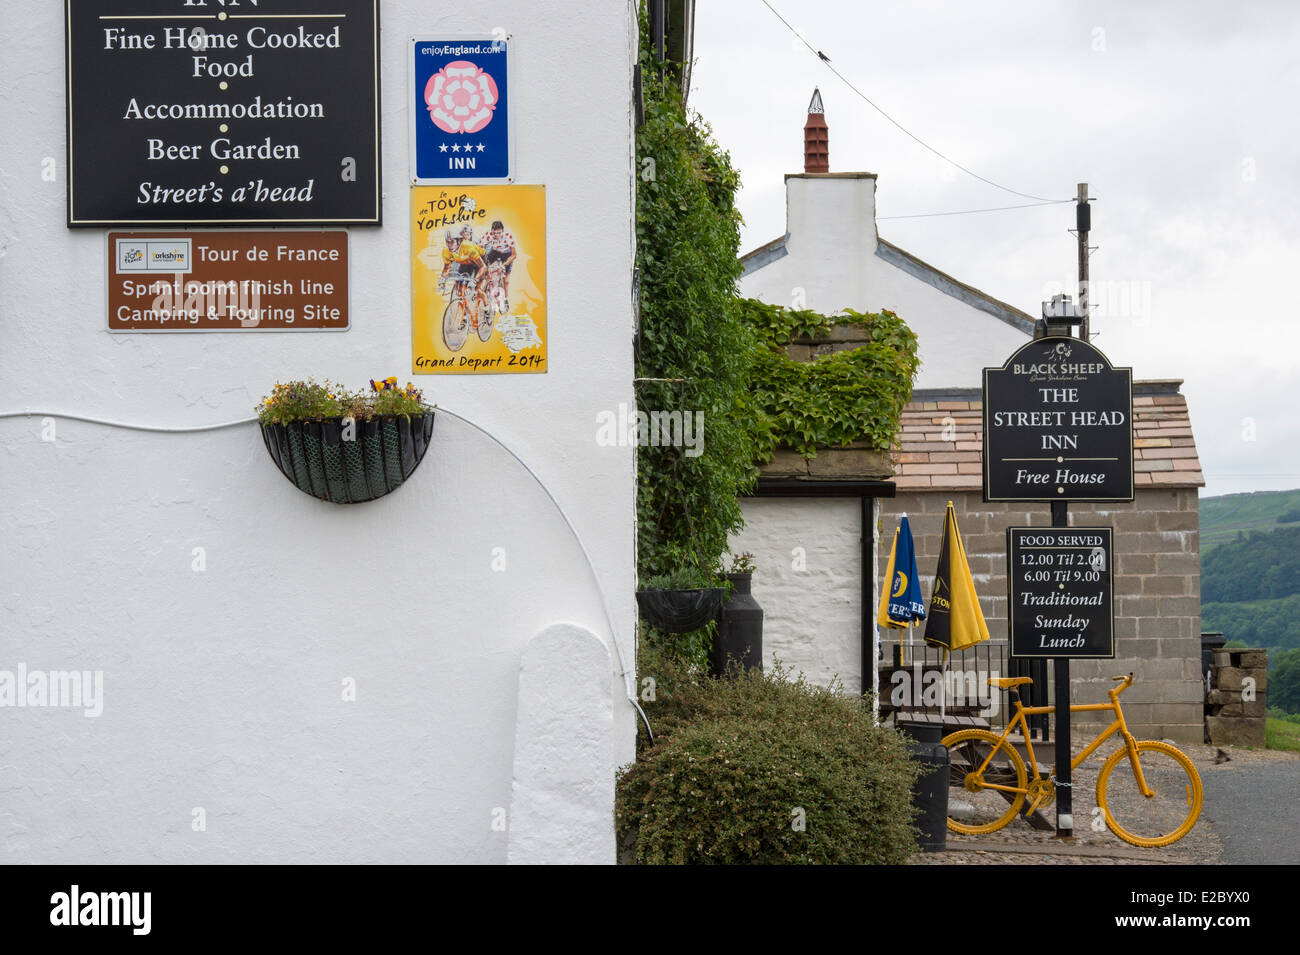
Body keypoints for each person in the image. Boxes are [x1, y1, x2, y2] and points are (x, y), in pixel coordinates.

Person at [477, 219, 517, 310]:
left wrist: (504, 265)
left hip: (507, 254)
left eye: (499, 233)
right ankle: (486, 288)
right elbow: (479, 248)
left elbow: (514, 255)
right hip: (495, 252)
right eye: (495, 233)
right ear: (492, 231)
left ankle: (506, 299)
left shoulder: (508, 236)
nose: (497, 235)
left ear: (502, 231)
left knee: (506, 280)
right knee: (487, 270)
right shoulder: (488, 235)